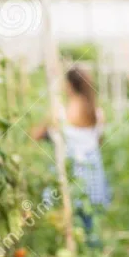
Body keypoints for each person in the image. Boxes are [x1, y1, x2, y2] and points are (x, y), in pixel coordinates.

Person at [34, 66, 111, 243]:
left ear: (69, 86)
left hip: (70, 173)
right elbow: (98, 141)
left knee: (69, 225)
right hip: (92, 174)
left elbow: (37, 135)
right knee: (92, 224)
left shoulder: (60, 113)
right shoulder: (97, 112)